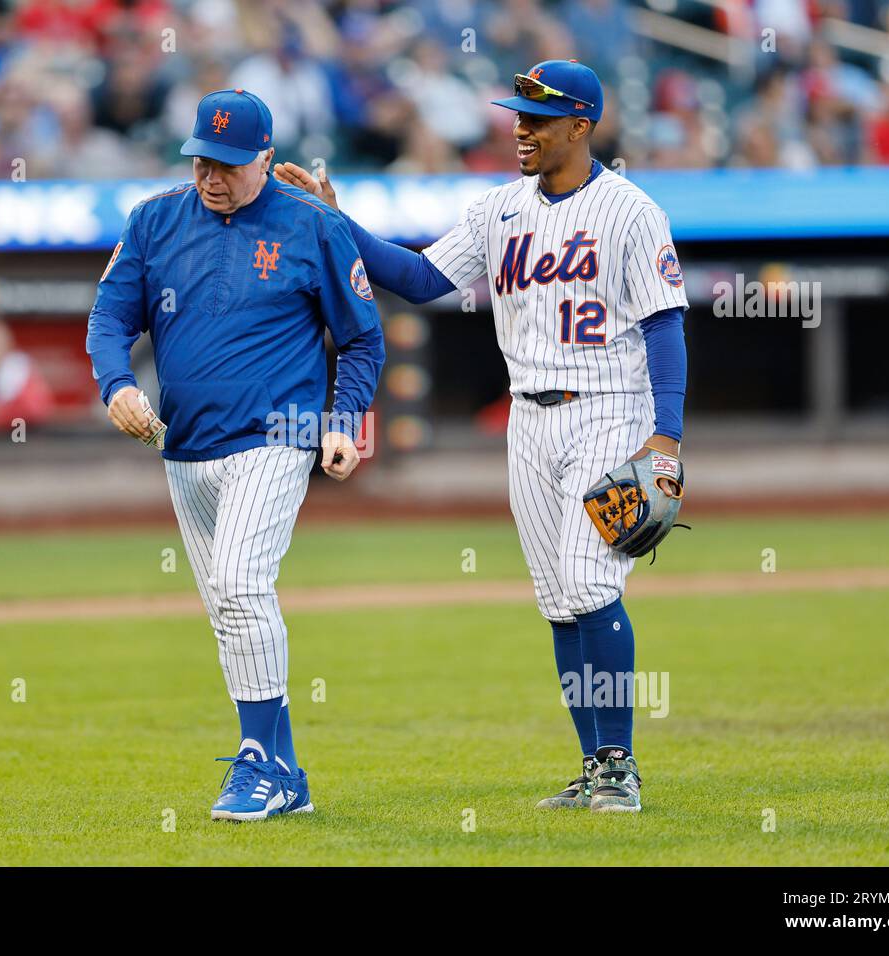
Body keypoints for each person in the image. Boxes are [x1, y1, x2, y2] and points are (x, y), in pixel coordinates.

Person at [275, 60, 689, 813]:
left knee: (590, 582)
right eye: (517, 115)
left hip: (608, 406)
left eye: (537, 117)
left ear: (582, 125)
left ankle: (621, 769)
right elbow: (421, 277)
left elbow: (664, 325)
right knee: (558, 599)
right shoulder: (499, 208)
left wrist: (666, 437)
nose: (520, 129)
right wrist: (335, 219)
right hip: (527, 417)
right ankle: (593, 764)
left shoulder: (631, 212)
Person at [86, 89, 385, 822]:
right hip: (184, 445)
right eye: (200, 160)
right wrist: (115, 384)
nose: (210, 176)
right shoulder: (155, 220)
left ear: (265, 159)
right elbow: (108, 319)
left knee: (242, 584)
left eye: (226, 163)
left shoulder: (313, 224)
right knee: (227, 608)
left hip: (279, 434)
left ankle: (258, 762)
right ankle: (287, 772)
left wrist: (344, 420)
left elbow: (363, 338)